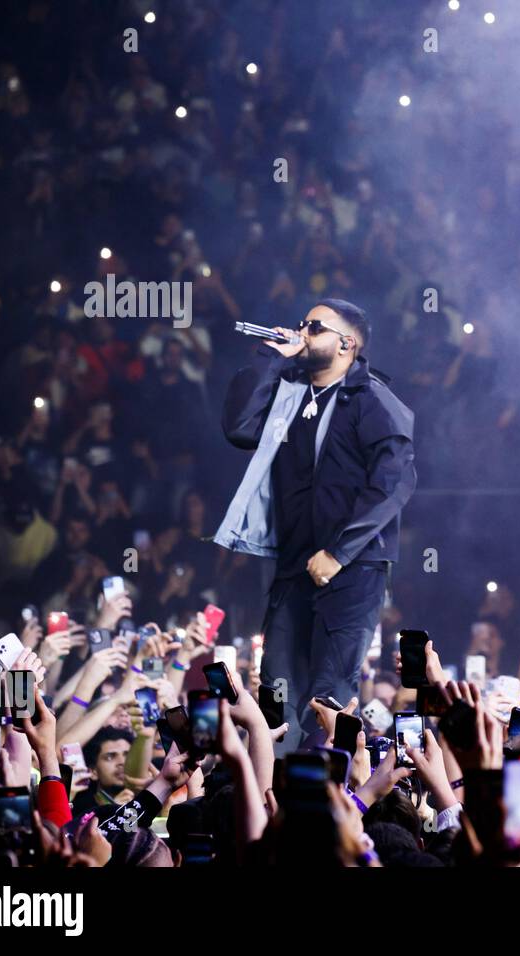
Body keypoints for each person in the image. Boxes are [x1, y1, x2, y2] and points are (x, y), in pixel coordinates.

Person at [214, 298, 417, 750]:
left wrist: (340, 553)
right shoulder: (289, 390)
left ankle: (327, 803)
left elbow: (395, 483)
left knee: (327, 698)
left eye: (314, 327)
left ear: (346, 344)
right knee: (276, 694)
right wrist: (272, 356)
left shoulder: (374, 400)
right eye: (301, 323)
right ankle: (271, 800)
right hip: (294, 566)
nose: (301, 331)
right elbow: (239, 426)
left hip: (352, 571)